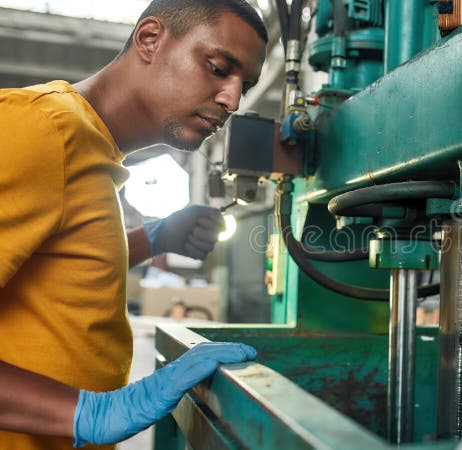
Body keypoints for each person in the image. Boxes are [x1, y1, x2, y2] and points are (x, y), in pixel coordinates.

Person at [0, 0, 268, 448]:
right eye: (219, 68)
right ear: (149, 40)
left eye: (246, 84)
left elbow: (52, 272)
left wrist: (154, 238)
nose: (233, 100)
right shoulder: (39, 130)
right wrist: (91, 413)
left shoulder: (90, 149)